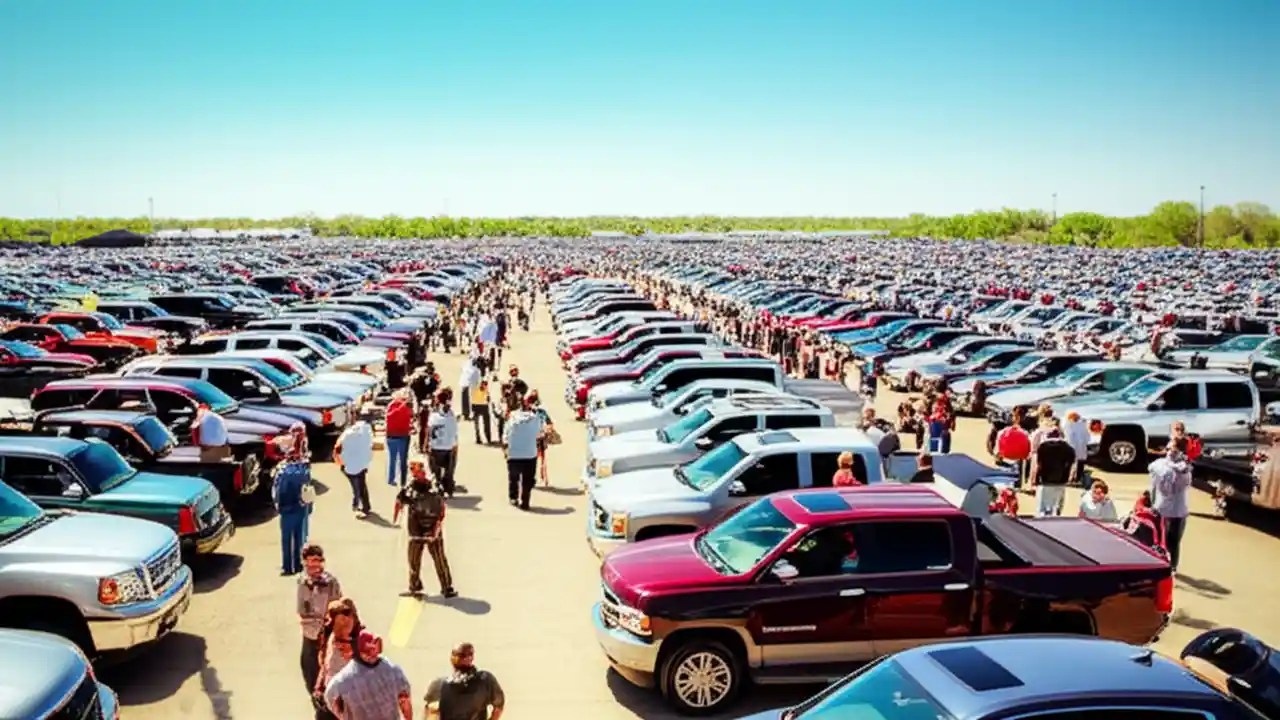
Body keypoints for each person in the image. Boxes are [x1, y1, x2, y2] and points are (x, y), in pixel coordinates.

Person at [394, 460, 457, 598]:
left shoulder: (434, 488)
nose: (415, 473)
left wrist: (437, 525)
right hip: (415, 528)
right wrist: (396, 513)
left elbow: (441, 508)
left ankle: (447, 587)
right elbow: (399, 500)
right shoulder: (410, 487)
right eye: (412, 470)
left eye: (417, 469)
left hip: (432, 527)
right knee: (413, 558)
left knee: (439, 558)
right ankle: (415, 586)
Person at [324, 631, 413, 720]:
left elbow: (330, 697)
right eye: (368, 650)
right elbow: (405, 703)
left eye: (373, 649)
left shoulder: (343, 681)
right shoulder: (393, 671)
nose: (372, 653)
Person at [298, 544, 343, 702]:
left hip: (326, 635)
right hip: (309, 636)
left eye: (317, 561)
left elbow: (338, 607)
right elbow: (301, 610)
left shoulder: (331, 583)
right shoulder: (303, 582)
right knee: (309, 671)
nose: (313, 565)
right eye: (309, 561)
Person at [424, 643, 506, 720]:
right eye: (462, 655)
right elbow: (498, 707)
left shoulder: (485, 680)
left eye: (469, 654)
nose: (466, 658)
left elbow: (498, 706)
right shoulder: (438, 685)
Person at [314, 598, 363, 720]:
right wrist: (319, 688)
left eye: (349, 618)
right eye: (341, 621)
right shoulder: (330, 639)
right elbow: (325, 667)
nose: (345, 623)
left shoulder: (361, 644)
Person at [1149, 436, 1193, 571]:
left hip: (1175, 511)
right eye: (1168, 448)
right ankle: (1163, 566)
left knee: (1172, 543)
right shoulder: (1160, 465)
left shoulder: (1183, 469)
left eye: (1172, 448)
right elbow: (1153, 486)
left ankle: (1170, 568)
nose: (1169, 451)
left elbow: (1176, 487)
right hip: (1162, 508)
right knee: (1160, 541)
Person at [504, 396, 545, 510]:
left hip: (514, 452)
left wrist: (505, 446)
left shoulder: (512, 416)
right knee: (528, 480)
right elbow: (539, 434)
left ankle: (513, 497)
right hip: (530, 453)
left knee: (513, 477)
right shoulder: (535, 418)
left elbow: (506, 433)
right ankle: (525, 501)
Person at [1030, 422, 1076, 517]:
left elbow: (1038, 465)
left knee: (1042, 507)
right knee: (1057, 506)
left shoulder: (1043, 447)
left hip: (1045, 481)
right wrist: (1070, 478)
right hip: (1061, 481)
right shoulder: (1069, 448)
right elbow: (1072, 465)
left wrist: (1034, 480)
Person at [275, 454, 311, 575]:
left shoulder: (281, 472)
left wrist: (279, 507)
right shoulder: (304, 472)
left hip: (286, 510)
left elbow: (278, 493)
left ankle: (287, 567)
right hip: (300, 509)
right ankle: (298, 564)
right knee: (298, 538)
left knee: (286, 540)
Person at [335, 417, 374, 517]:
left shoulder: (347, 434)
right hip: (361, 464)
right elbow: (369, 447)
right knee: (361, 485)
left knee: (356, 486)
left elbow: (338, 448)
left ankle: (359, 504)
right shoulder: (366, 433)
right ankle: (363, 505)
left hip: (349, 465)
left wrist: (341, 462)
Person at [427, 389, 460, 497]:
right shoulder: (451, 416)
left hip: (436, 447)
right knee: (449, 470)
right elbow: (454, 431)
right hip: (448, 447)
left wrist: (427, 445)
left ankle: (437, 487)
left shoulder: (433, 415)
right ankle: (448, 488)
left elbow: (429, 431)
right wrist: (454, 444)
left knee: (435, 471)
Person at [385, 390, 414, 487]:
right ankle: (403, 481)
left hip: (392, 435)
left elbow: (389, 417)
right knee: (402, 460)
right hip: (402, 436)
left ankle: (391, 479)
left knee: (392, 459)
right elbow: (410, 417)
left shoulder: (391, 406)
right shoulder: (405, 407)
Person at [1062, 410, 1091, 485]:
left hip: (1079, 447)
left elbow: (1087, 436)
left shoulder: (1081, 424)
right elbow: (1069, 437)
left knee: (1078, 463)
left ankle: (1077, 479)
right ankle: (1069, 479)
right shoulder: (1068, 424)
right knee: (1070, 464)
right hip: (1073, 447)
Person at [471, 379, 493, 444]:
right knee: (477, 424)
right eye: (484, 384)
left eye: (486, 384)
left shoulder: (485, 390)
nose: (485, 386)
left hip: (482, 406)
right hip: (477, 406)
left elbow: (488, 399)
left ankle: (488, 438)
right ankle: (478, 438)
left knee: (486, 424)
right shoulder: (476, 389)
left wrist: (488, 397)